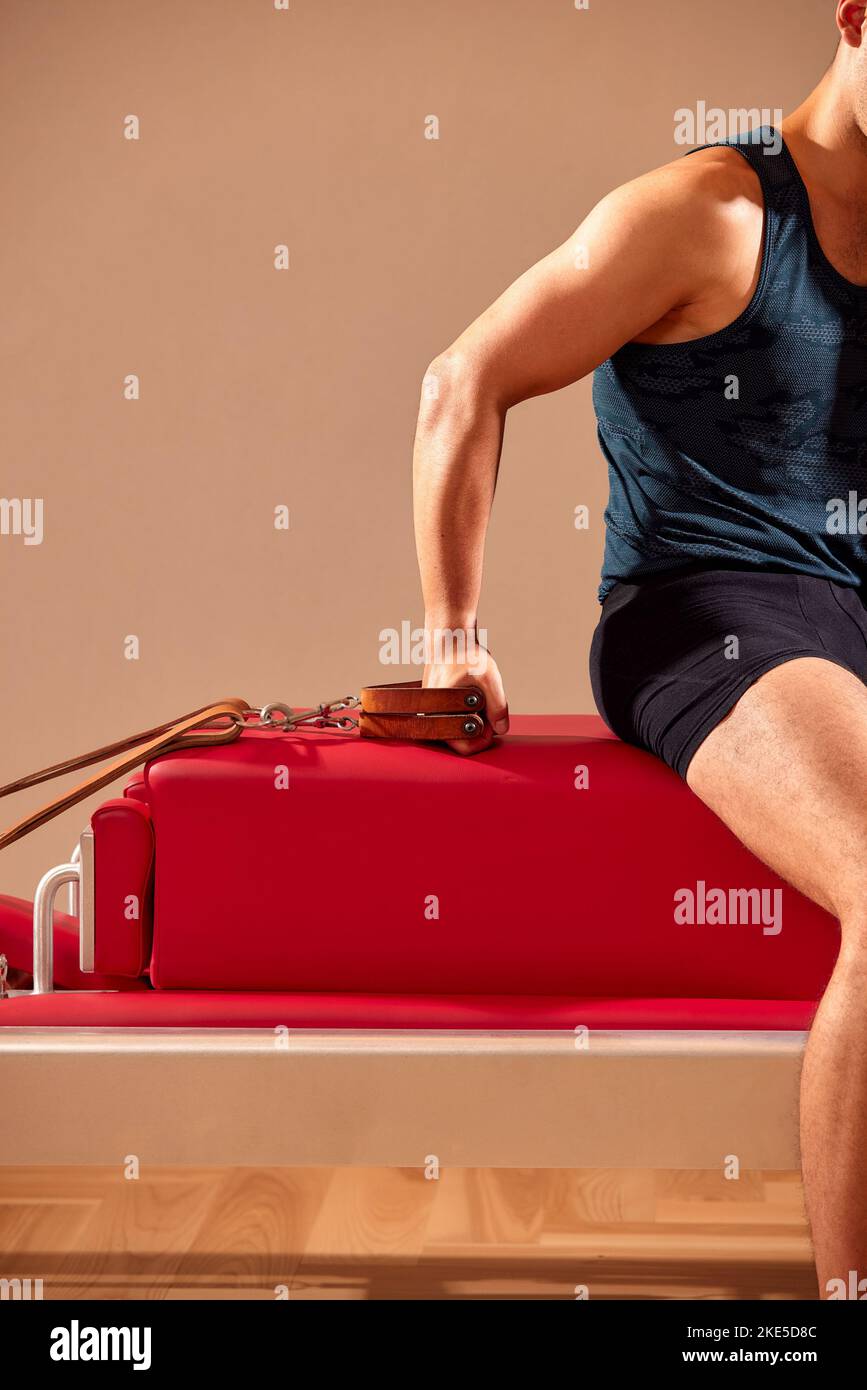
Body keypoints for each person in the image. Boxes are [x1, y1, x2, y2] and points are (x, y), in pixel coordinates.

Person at [411, 2, 867, 1297]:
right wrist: (450, 641)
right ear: (855, 17)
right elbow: (464, 380)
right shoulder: (706, 216)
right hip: (711, 612)